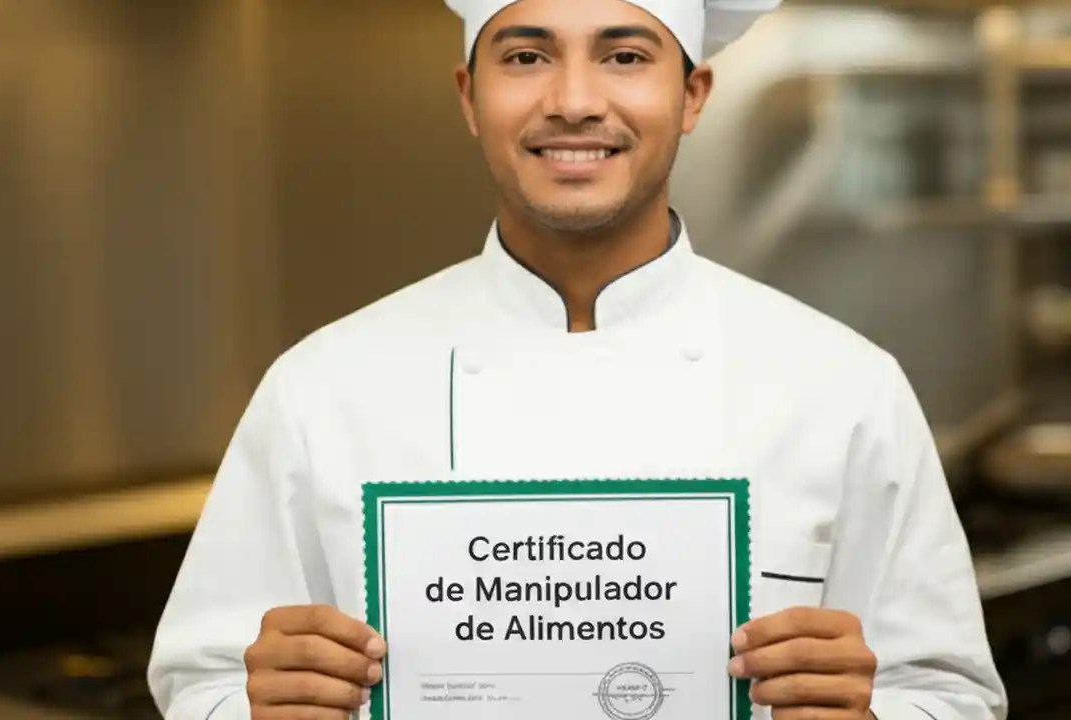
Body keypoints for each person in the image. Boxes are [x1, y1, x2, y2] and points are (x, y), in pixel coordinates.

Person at [147, 0, 1008, 718]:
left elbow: (952, 695)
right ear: (469, 96)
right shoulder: (321, 389)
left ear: (693, 94)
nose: (573, 100)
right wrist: (257, 707)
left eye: (625, 55)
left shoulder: (844, 387)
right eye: (525, 56)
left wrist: (869, 715)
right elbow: (201, 684)